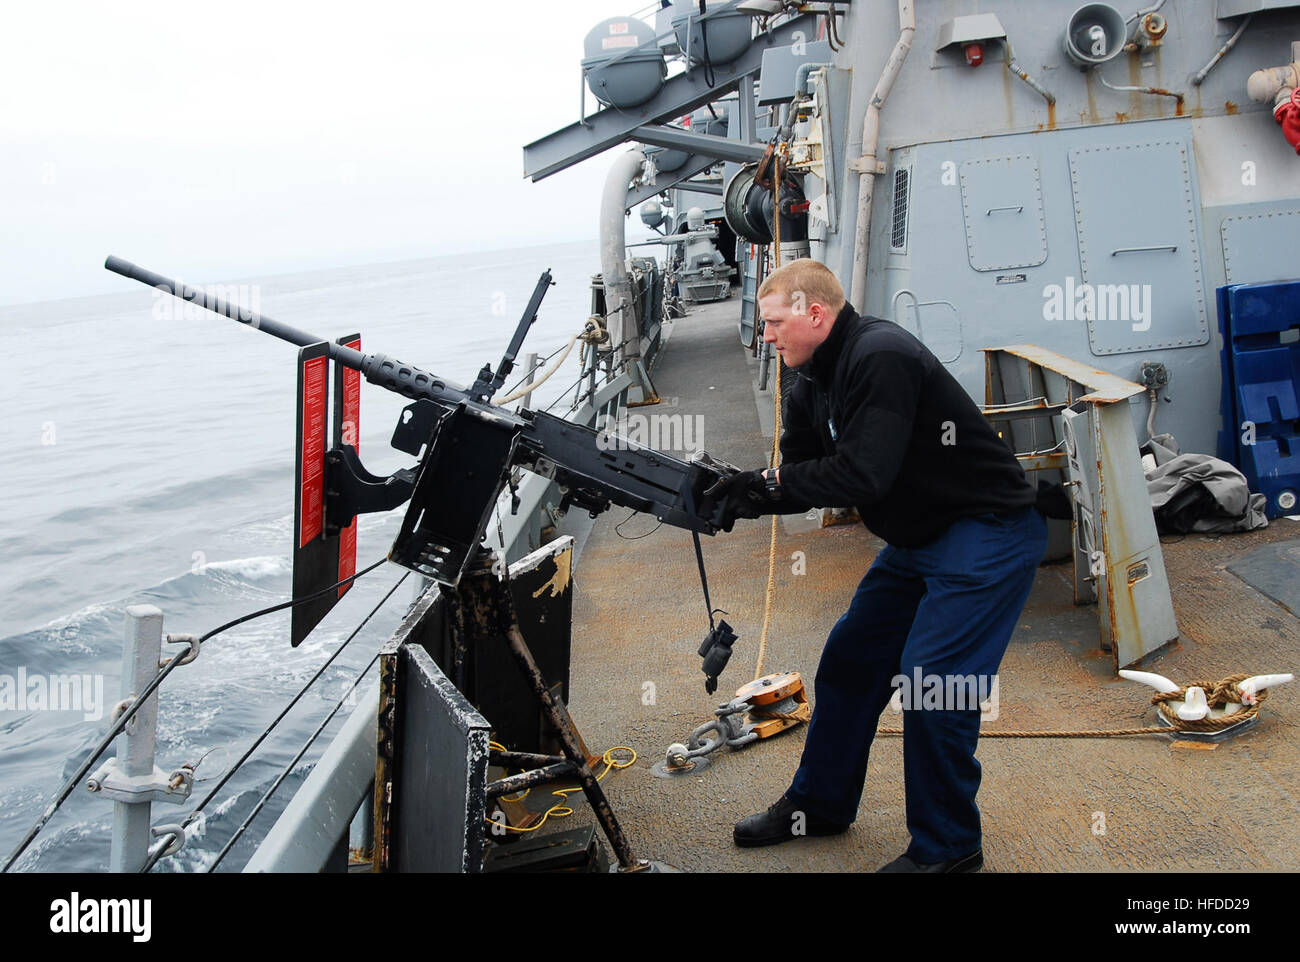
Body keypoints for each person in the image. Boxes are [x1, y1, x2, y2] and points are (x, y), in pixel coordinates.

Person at [705, 258, 1047, 873]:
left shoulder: (879, 355)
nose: (768, 336)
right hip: (918, 540)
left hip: (985, 532)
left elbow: (863, 473)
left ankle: (948, 850)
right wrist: (739, 493)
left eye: (775, 322)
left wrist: (762, 486)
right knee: (850, 661)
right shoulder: (806, 374)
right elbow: (803, 474)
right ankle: (821, 805)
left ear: (816, 313)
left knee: (934, 684)